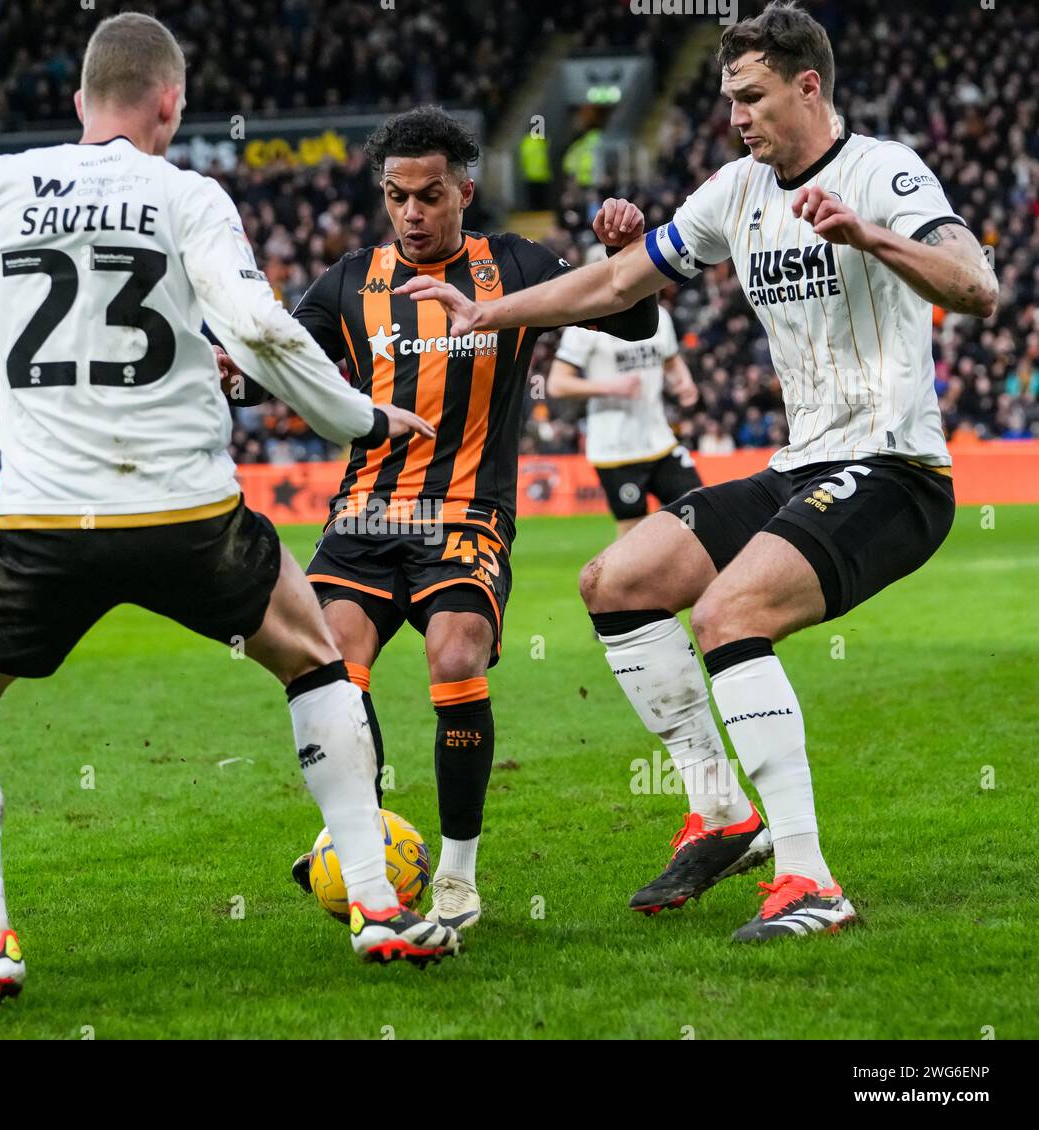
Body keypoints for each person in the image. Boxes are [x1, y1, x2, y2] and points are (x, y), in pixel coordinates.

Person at [0, 11, 459, 1009]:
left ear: (78, 102)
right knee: (315, 653)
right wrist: (359, 418)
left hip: (46, 525)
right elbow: (258, 328)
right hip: (188, 514)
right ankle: (376, 902)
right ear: (170, 102)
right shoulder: (188, 193)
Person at [399, 0, 997, 941]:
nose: (736, 117)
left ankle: (810, 881)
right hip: (799, 465)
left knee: (728, 614)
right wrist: (492, 314)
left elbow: (978, 287)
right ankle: (723, 812)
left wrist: (870, 237)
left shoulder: (886, 172)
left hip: (895, 470)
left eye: (752, 96)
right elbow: (613, 283)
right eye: (727, 98)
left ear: (809, 86)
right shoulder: (736, 192)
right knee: (617, 581)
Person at [269, 106, 657, 929]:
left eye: (430, 195)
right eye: (397, 195)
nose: (412, 212)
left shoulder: (513, 266)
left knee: (454, 655)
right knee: (333, 662)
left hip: (467, 515)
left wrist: (623, 254)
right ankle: (357, 837)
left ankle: (455, 872)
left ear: (465, 192)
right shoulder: (347, 282)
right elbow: (285, 364)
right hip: (365, 517)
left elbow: (634, 318)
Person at [548, 299, 702, 540]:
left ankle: (687, 573)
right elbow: (557, 384)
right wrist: (610, 387)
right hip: (615, 450)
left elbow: (671, 360)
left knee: (697, 509)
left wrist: (684, 381)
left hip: (660, 440)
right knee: (634, 537)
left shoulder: (659, 316)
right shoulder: (587, 323)